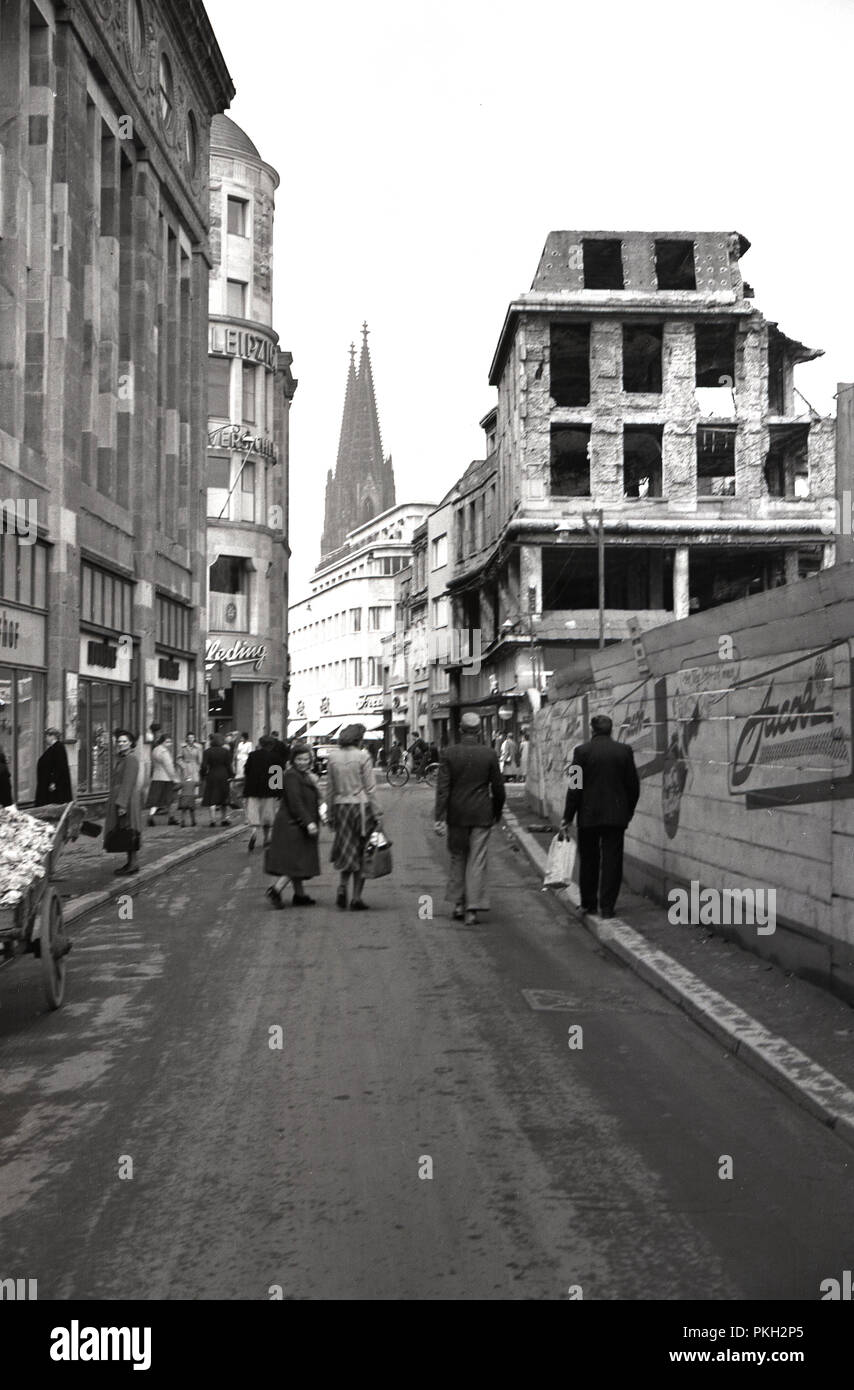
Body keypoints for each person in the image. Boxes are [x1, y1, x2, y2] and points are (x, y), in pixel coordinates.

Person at [561, 713, 640, 919]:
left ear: (592, 730)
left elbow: (575, 787)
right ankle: (607, 907)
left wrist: (568, 816)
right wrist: (627, 812)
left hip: (588, 817)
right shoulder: (624, 751)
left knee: (589, 860)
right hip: (616, 817)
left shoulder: (581, 752)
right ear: (611, 729)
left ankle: (588, 904)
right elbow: (633, 786)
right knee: (612, 861)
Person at [434, 711, 505, 927]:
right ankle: (472, 908)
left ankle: (458, 903)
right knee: (477, 860)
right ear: (479, 731)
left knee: (458, 857)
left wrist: (439, 816)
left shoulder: (448, 753)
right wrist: (497, 811)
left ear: (461, 730)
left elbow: (443, 789)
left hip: (456, 814)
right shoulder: (489, 754)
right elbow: (498, 788)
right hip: (482, 813)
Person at [326, 723, 383, 911]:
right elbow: (371, 788)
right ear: (359, 738)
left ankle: (343, 886)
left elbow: (330, 788)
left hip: (341, 806)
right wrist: (377, 813)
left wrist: (330, 813)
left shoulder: (332, 757)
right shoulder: (363, 756)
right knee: (361, 851)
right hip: (361, 807)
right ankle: (356, 898)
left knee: (346, 849)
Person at [265, 743, 322, 908]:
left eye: (306, 759)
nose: (303, 762)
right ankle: (275, 890)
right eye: (299, 759)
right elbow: (295, 802)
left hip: (297, 824)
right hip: (292, 824)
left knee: (298, 859)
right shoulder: (291, 776)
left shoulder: (304, 775)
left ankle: (300, 895)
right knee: (295, 861)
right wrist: (309, 822)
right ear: (293, 759)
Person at [104, 729, 141, 875]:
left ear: (131, 743)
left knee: (129, 830)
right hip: (121, 797)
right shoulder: (122, 758)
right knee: (125, 830)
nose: (121, 744)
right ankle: (130, 862)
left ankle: (133, 863)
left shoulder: (131, 759)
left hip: (127, 799)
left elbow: (128, 782)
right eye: (119, 741)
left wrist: (122, 804)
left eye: (124, 741)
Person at [244, 735, 278, 852]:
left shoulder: (252, 755)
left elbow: (246, 771)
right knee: (267, 815)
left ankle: (254, 832)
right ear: (272, 745)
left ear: (260, 744)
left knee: (254, 812)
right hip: (268, 791)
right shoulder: (275, 757)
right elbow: (276, 777)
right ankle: (266, 838)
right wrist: (278, 793)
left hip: (253, 789)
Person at [200, 732, 234, 828]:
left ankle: (212, 820)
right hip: (223, 774)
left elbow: (204, 766)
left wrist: (203, 775)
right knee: (224, 797)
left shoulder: (207, 752)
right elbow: (229, 765)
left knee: (212, 797)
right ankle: (223, 819)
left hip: (212, 774)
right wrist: (231, 775)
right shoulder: (225, 751)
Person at [146, 733, 179, 827]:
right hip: (166, 778)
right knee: (171, 800)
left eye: (170, 742)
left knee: (155, 800)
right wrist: (175, 778)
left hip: (156, 777)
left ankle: (150, 817)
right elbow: (169, 767)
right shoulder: (164, 752)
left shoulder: (155, 750)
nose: (170, 744)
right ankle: (171, 818)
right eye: (167, 742)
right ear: (163, 742)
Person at [34, 728, 73, 805]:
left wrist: (54, 782)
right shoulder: (55, 747)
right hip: (49, 783)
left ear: (53, 736)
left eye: (47, 736)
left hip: (53, 786)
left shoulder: (58, 747)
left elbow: (59, 766)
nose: (46, 739)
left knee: (53, 804)